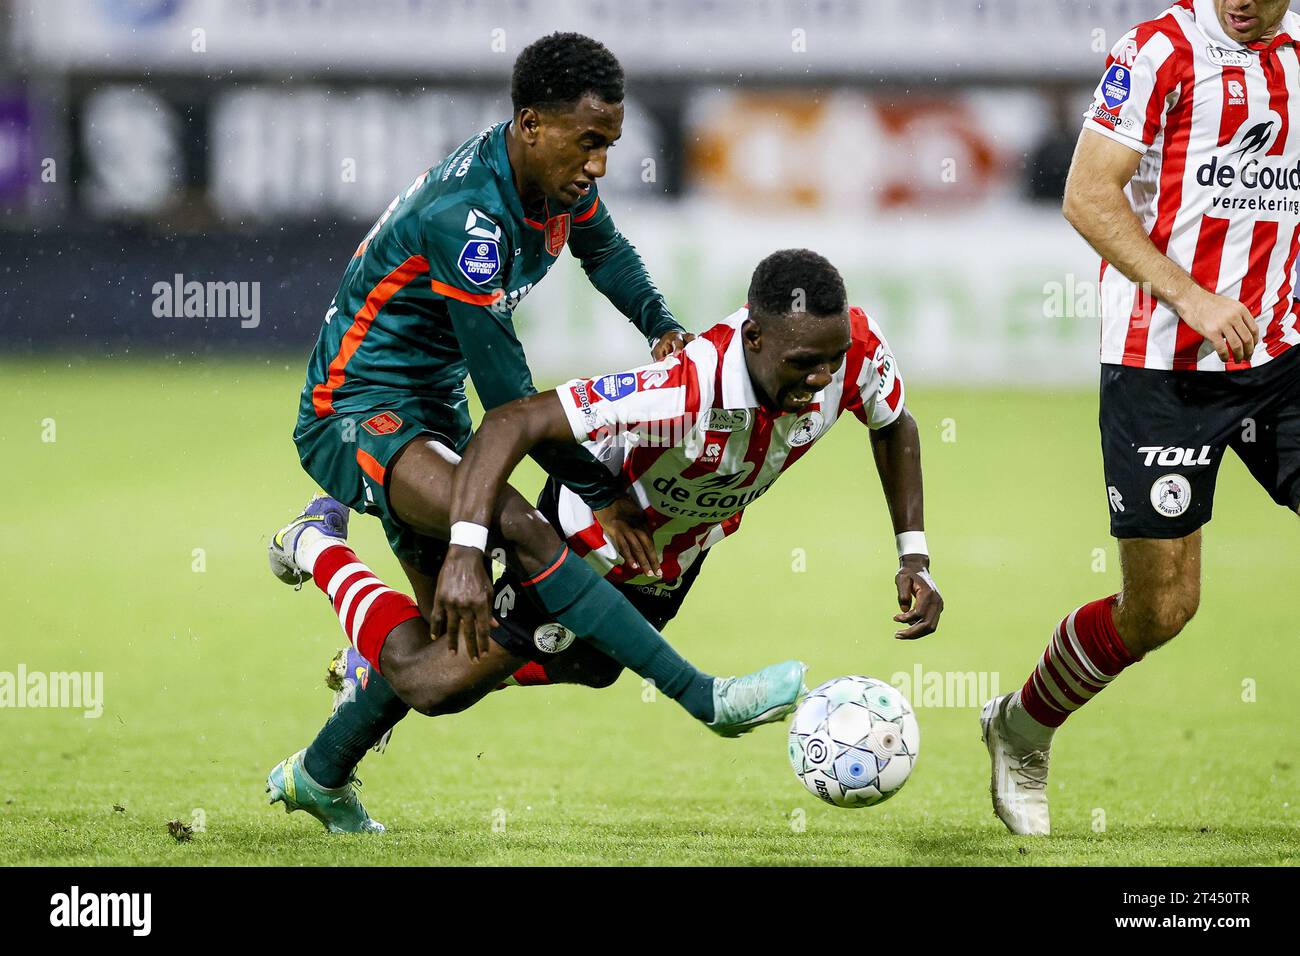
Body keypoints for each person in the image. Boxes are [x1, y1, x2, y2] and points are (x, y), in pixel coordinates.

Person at [264, 32, 803, 833]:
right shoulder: (467, 223)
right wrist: (601, 491)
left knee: (440, 668)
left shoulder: (557, 185)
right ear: (529, 124)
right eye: (589, 143)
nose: (599, 165)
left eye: (610, 145)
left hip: (435, 405)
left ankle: (321, 743)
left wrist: (660, 325)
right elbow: (510, 400)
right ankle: (705, 696)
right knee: (514, 522)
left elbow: (607, 252)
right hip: (357, 408)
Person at [982, 0, 1300, 836]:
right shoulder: (1158, 49)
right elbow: (1088, 196)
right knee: (1161, 609)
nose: (1242, 1)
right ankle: (1022, 726)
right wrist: (1191, 295)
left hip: (1281, 357)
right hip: (1160, 368)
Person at [429, 247, 942, 725]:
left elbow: (895, 424)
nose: (823, 378)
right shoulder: (689, 385)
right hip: (586, 536)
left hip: (677, 551)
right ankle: (367, 664)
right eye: (804, 363)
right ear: (754, 338)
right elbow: (511, 422)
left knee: (598, 667)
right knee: (446, 682)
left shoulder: (855, 349)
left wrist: (913, 557)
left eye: (834, 358)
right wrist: (467, 542)